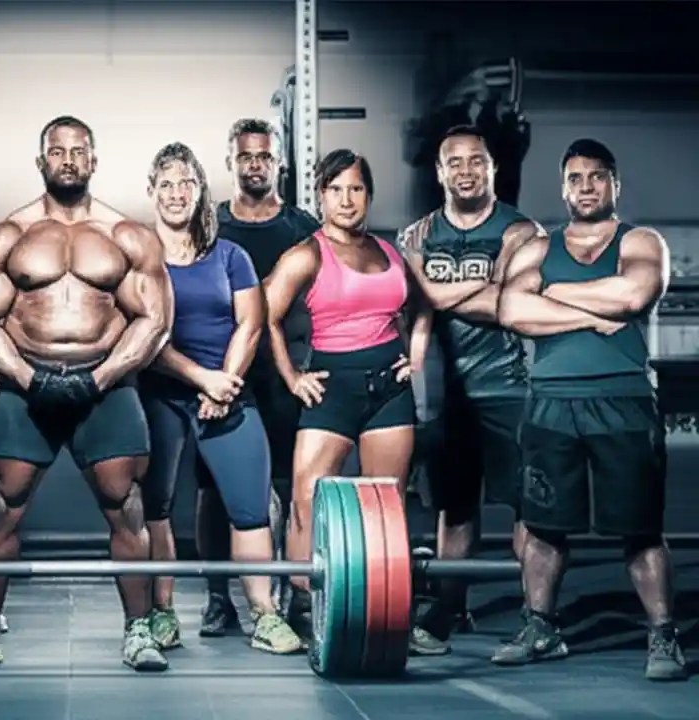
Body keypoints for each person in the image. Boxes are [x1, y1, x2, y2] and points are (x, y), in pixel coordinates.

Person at [0, 115, 173, 673]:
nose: (68, 159)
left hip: (106, 387)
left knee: (127, 509)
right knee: (1, 509)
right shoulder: (7, 235)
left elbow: (154, 321)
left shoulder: (126, 235)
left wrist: (95, 380)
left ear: (94, 160)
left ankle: (139, 631)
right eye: (58, 150)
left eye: (79, 151)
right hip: (26, 389)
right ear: (41, 161)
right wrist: (33, 381)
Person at [495, 139, 687, 680]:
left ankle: (663, 635)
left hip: (623, 400)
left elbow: (633, 295)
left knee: (641, 529)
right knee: (542, 526)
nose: (586, 187)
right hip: (552, 402)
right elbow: (510, 308)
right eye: (576, 178)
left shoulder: (641, 240)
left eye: (597, 177)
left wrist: (552, 296)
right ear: (563, 187)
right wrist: (590, 312)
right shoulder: (538, 246)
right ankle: (540, 627)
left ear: (614, 184)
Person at [136, 142, 303, 655]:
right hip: (161, 393)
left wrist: (224, 382)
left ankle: (265, 616)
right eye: (166, 184)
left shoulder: (230, 255)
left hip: (227, 392)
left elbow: (250, 322)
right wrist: (200, 379)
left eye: (186, 183)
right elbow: (145, 335)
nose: (176, 193)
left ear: (201, 190)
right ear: (152, 192)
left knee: (250, 508)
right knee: (156, 507)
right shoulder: (137, 258)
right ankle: (161, 613)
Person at [396, 126, 545, 655]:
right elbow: (418, 309)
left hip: (509, 390)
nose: (465, 171)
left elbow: (509, 304)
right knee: (455, 510)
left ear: (492, 168)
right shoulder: (415, 235)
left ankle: (536, 619)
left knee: (528, 510)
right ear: (439, 172)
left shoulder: (523, 231)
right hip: (444, 394)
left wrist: (437, 294)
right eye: (454, 162)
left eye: (475, 161)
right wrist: (484, 289)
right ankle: (449, 610)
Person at [263, 149, 432, 604]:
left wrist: (414, 354)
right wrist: (294, 377)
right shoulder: (307, 255)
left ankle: (383, 606)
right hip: (332, 386)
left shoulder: (391, 252)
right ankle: (301, 601)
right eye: (336, 189)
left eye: (355, 188)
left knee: (386, 503)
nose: (346, 199)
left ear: (369, 195)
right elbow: (265, 314)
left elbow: (422, 305)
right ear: (321, 197)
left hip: (389, 389)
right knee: (306, 499)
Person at [196, 118, 322, 637]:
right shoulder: (212, 226)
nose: (255, 165)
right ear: (230, 162)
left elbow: (324, 296)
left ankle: (294, 596)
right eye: (245, 156)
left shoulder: (302, 226)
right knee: (213, 489)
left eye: (264, 157)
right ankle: (217, 597)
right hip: (225, 373)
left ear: (279, 164)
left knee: (293, 487)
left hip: (286, 374)